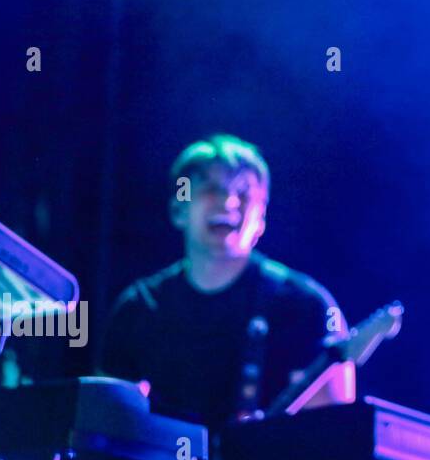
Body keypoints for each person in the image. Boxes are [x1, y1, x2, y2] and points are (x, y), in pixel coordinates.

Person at [97, 134, 354, 432]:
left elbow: (334, 438)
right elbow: (104, 428)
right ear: (179, 210)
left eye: (244, 192)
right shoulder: (138, 307)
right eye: (211, 188)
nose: (229, 201)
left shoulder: (306, 307)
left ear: (261, 221)